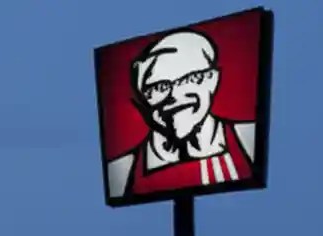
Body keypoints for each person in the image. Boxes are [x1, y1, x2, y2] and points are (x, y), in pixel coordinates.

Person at [107, 29, 257, 200]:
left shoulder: (248, 139)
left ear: (212, 80)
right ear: (144, 98)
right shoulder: (121, 172)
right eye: (159, 87)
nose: (175, 96)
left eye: (190, 79)